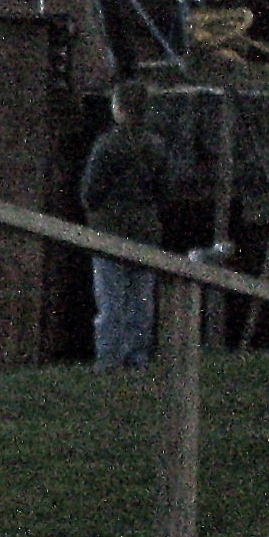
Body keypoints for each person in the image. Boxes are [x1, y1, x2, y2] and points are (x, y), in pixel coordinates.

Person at [79, 78, 172, 370]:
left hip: (110, 231)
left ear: (118, 109)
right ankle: (138, 357)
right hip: (145, 230)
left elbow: (90, 193)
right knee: (141, 299)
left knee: (110, 299)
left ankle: (108, 358)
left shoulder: (106, 146)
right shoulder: (157, 147)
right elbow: (166, 191)